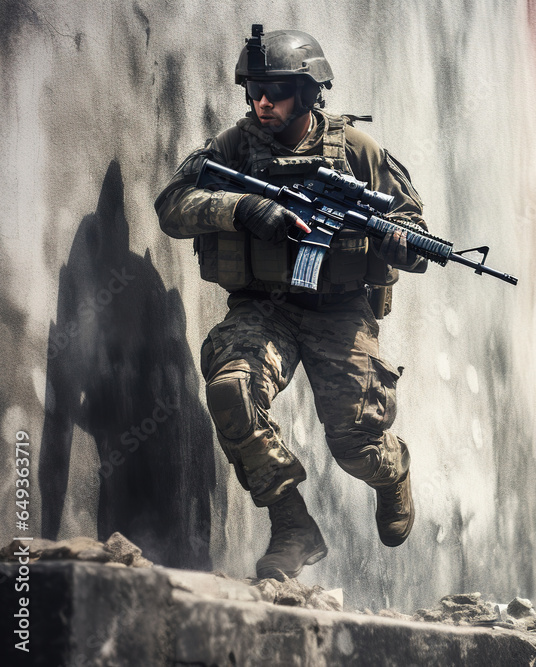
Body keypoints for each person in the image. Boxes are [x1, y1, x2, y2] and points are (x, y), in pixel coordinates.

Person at [155, 25, 423, 580]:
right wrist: (242, 209)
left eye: (273, 91)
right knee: (232, 387)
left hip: (342, 309)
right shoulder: (233, 146)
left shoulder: (356, 151)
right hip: (264, 306)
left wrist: (398, 241)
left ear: (307, 93)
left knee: (356, 446)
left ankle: (393, 471)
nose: (260, 103)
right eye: (252, 91)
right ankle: (291, 524)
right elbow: (172, 204)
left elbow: (413, 227)